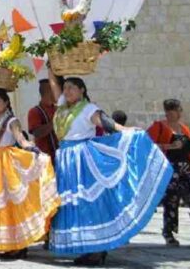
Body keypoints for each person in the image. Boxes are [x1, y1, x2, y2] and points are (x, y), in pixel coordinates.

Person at [48, 72, 172, 265]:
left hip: (82, 159)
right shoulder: (63, 107)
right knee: (74, 205)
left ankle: (98, 249)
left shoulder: (88, 108)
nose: (67, 91)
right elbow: (54, 86)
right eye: (66, 88)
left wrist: (126, 130)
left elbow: (106, 122)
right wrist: (49, 66)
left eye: (72, 87)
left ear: (82, 91)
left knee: (89, 203)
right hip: (66, 158)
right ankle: (86, 247)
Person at [0, 89, 60, 258]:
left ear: (6, 102)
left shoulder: (11, 120)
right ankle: (8, 244)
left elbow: (20, 139)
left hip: (8, 164)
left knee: (13, 204)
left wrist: (32, 148)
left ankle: (19, 245)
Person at [147, 99, 190, 247]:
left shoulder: (184, 129)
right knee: (171, 200)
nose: (175, 113)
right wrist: (169, 146)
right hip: (169, 169)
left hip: (186, 169)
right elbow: (146, 145)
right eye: (172, 111)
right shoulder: (159, 126)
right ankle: (168, 232)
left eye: (176, 110)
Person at [27, 79, 58, 163]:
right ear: (49, 92)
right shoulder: (34, 111)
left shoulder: (58, 109)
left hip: (60, 156)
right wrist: (55, 121)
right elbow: (37, 133)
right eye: (55, 90)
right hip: (45, 159)